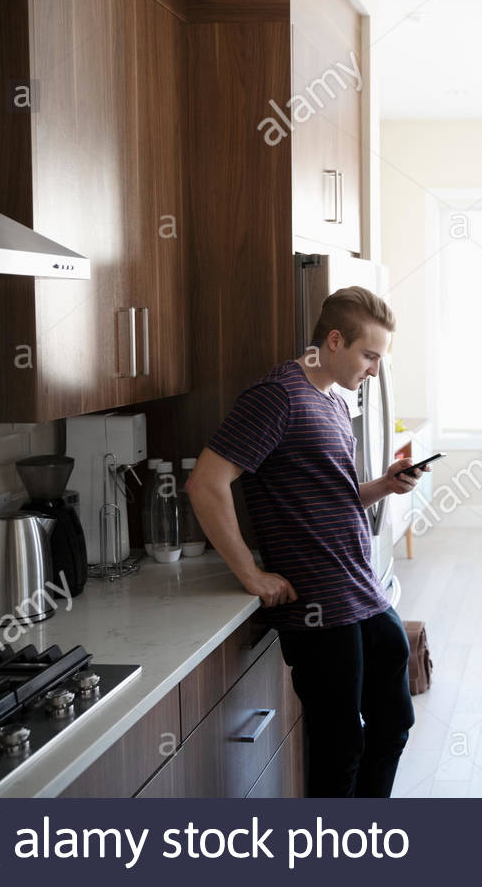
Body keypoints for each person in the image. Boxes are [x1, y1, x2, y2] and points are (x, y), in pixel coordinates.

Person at [185, 286, 428, 797]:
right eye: (369, 355)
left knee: (393, 725)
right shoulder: (276, 395)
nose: (374, 370)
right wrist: (249, 574)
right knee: (340, 748)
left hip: (361, 592)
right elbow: (206, 482)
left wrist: (385, 485)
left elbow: (330, 497)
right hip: (320, 608)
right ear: (334, 341)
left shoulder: (332, 401)